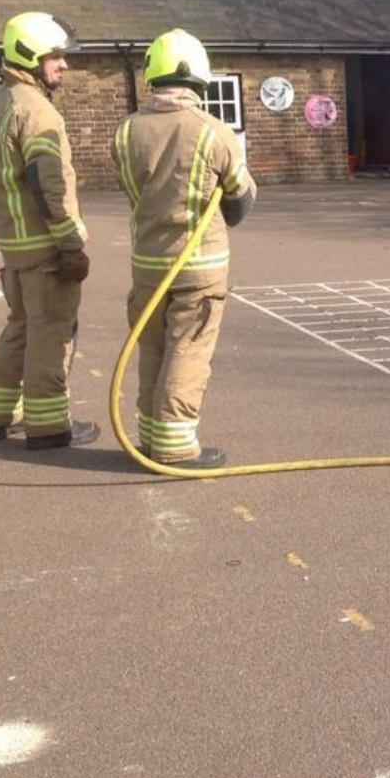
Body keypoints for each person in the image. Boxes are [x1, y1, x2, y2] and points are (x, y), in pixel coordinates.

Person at [111, 29, 256, 469]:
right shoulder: (214, 133)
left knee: (152, 348)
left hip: (147, 265)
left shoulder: (125, 132)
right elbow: (241, 200)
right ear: (199, 79)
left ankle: (150, 440)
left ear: (153, 76)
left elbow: (133, 190)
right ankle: (175, 444)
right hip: (199, 267)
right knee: (188, 350)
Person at [0, 12, 99, 451]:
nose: (63, 65)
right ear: (31, 57)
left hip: (15, 247)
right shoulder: (37, 111)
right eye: (55, 57)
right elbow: (50, 186)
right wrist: (71, 246)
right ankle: (49, 428)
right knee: (50, 333)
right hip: (45, 249)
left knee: (21, 329)